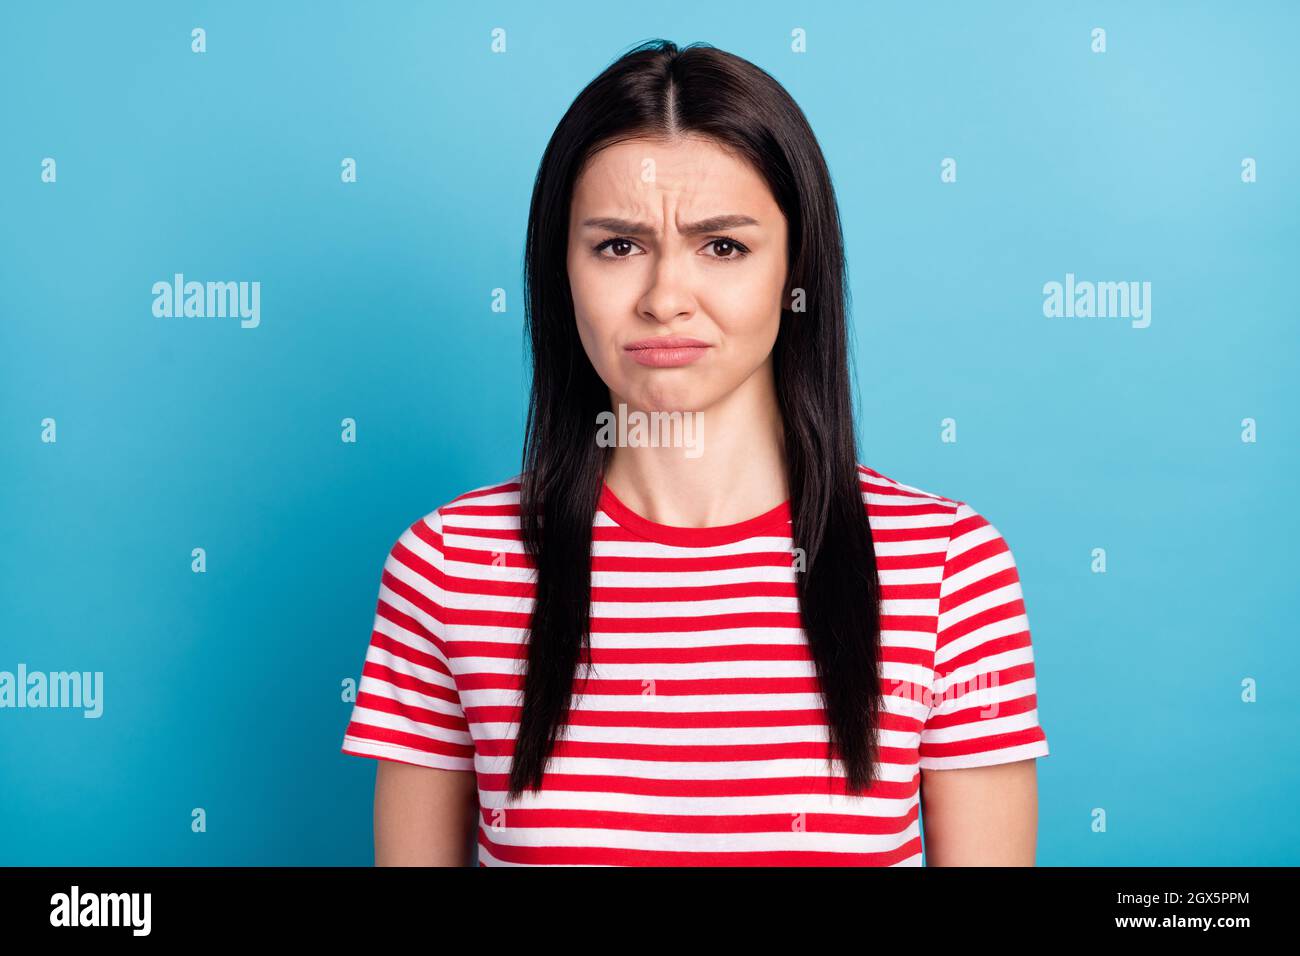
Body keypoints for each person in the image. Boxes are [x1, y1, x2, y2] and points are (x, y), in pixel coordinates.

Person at [341, 39, 1049, 866]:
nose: (666, 299)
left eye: (724, 246)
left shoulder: (946, 569)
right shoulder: (448, 567)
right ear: (558, 269)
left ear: (798, 270)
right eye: (617, 246)